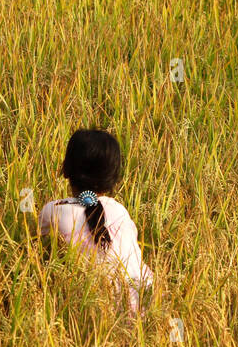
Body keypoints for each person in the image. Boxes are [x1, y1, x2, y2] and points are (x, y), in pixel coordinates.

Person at [38, 129, 154, 313]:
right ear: (113, 178)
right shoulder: (120, 212)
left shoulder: (53, 212)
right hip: (145, 305)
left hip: (96, 309)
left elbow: (35, 254)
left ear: (66, 169)